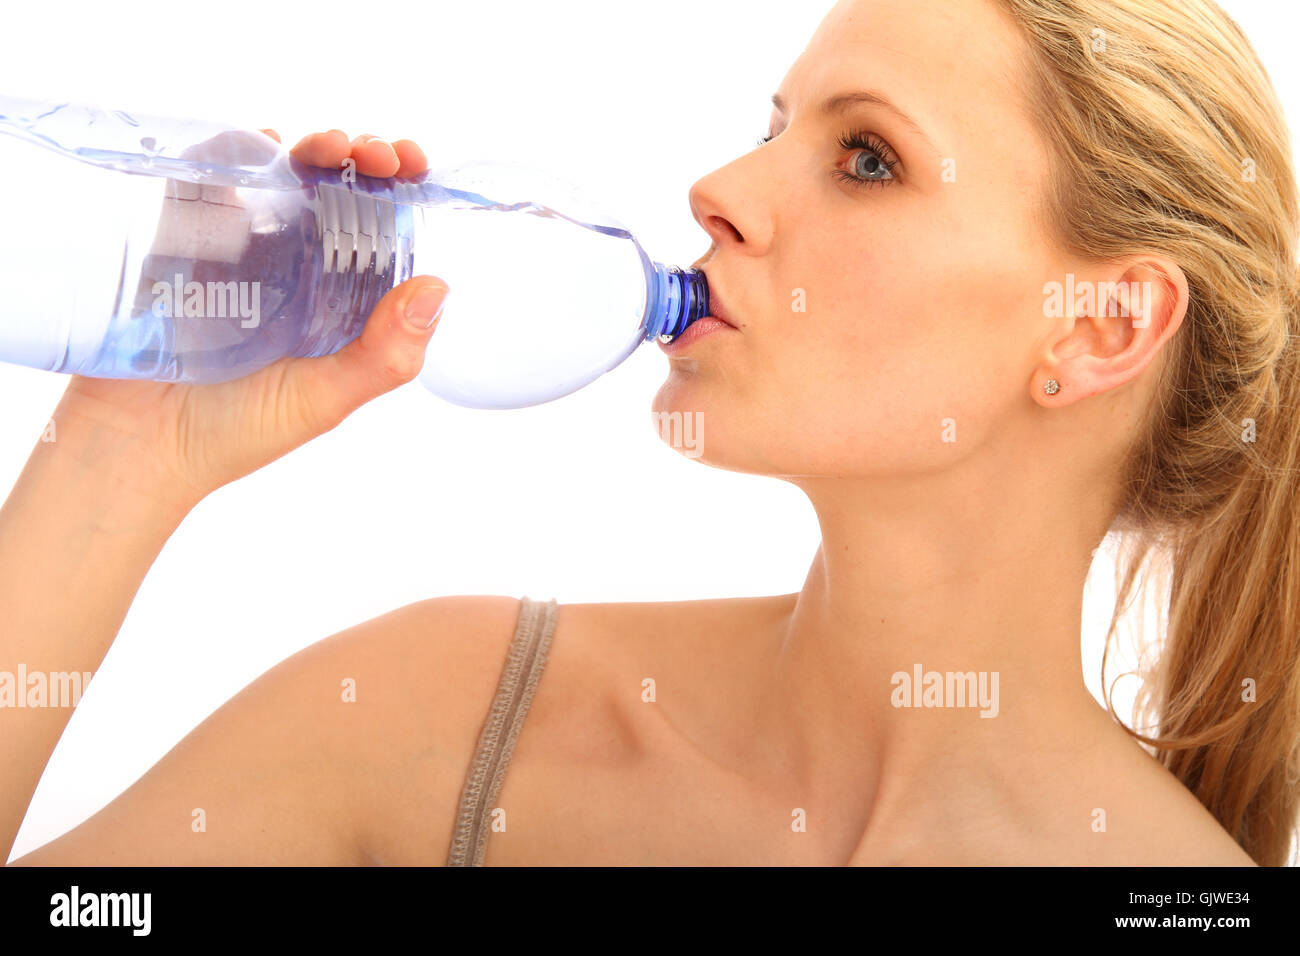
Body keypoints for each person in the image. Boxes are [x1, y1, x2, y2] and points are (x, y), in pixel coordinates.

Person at [4, 0, 1296, 866]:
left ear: (1100, 328)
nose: (720, 191)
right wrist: (127, 452)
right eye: (774, 128)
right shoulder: (451, 710)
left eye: (866, 160)